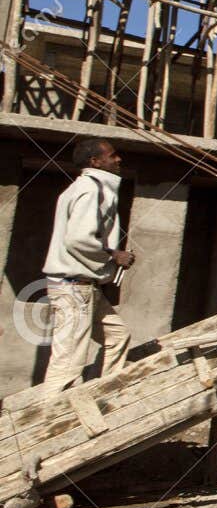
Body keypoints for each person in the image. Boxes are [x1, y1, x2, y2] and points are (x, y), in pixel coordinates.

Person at [41, 138, 134, 393]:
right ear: (95, 161)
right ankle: (50, 424)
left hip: (84, 287)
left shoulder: (89, 187)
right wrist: (114, 255)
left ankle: (98, 397)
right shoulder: (91, 188)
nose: (118, 159)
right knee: (67, 363)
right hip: (73, 287)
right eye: (112, 155)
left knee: (117, 337)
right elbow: (78, 238)